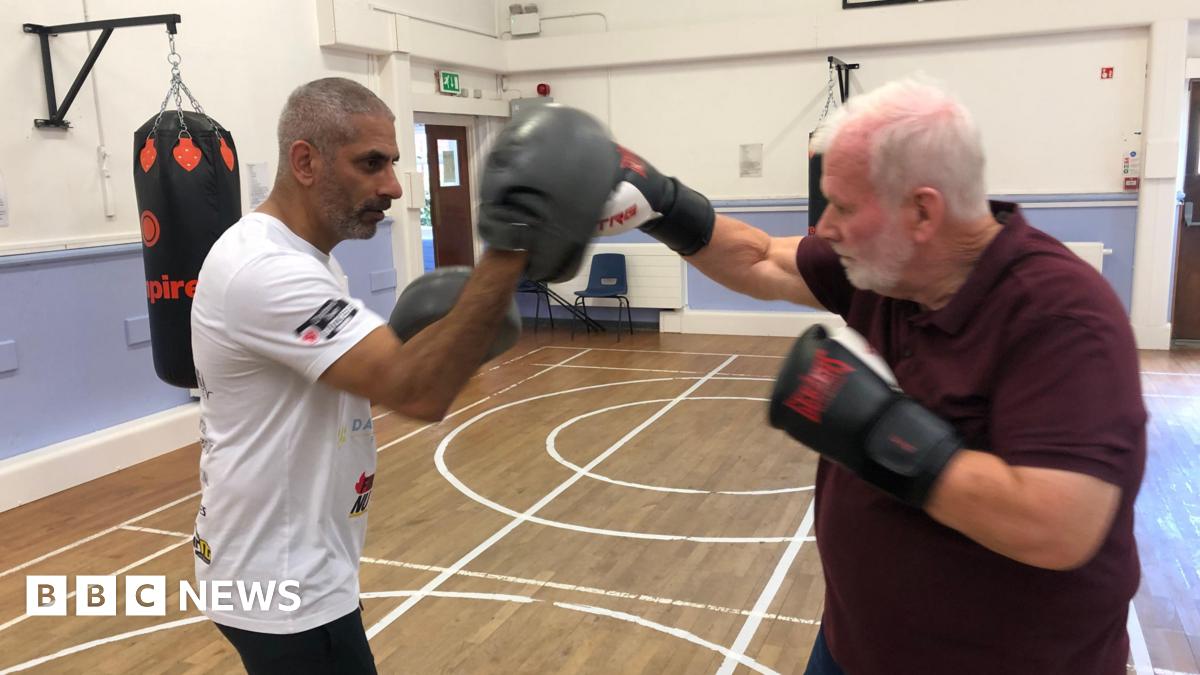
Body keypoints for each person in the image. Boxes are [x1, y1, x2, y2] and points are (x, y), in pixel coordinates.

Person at [599, 79, 1146, 674]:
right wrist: (663, 202)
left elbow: (1060, 527)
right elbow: (759, 258)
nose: (825, 226)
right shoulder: (887, 270)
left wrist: (874, 428)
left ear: (922, 211)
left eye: (844, 205)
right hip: (855, 643)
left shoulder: (1059, 315)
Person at [189, 77, 619, 674]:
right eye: (371, 164)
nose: (392, 186)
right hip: (282, 582)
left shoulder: (302, 261)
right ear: (305, 161)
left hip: (288, 561)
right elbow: (419, 392)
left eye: (392, 162)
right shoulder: (266, 272)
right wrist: (512, 243)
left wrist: (459, 326)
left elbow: (394, 373)